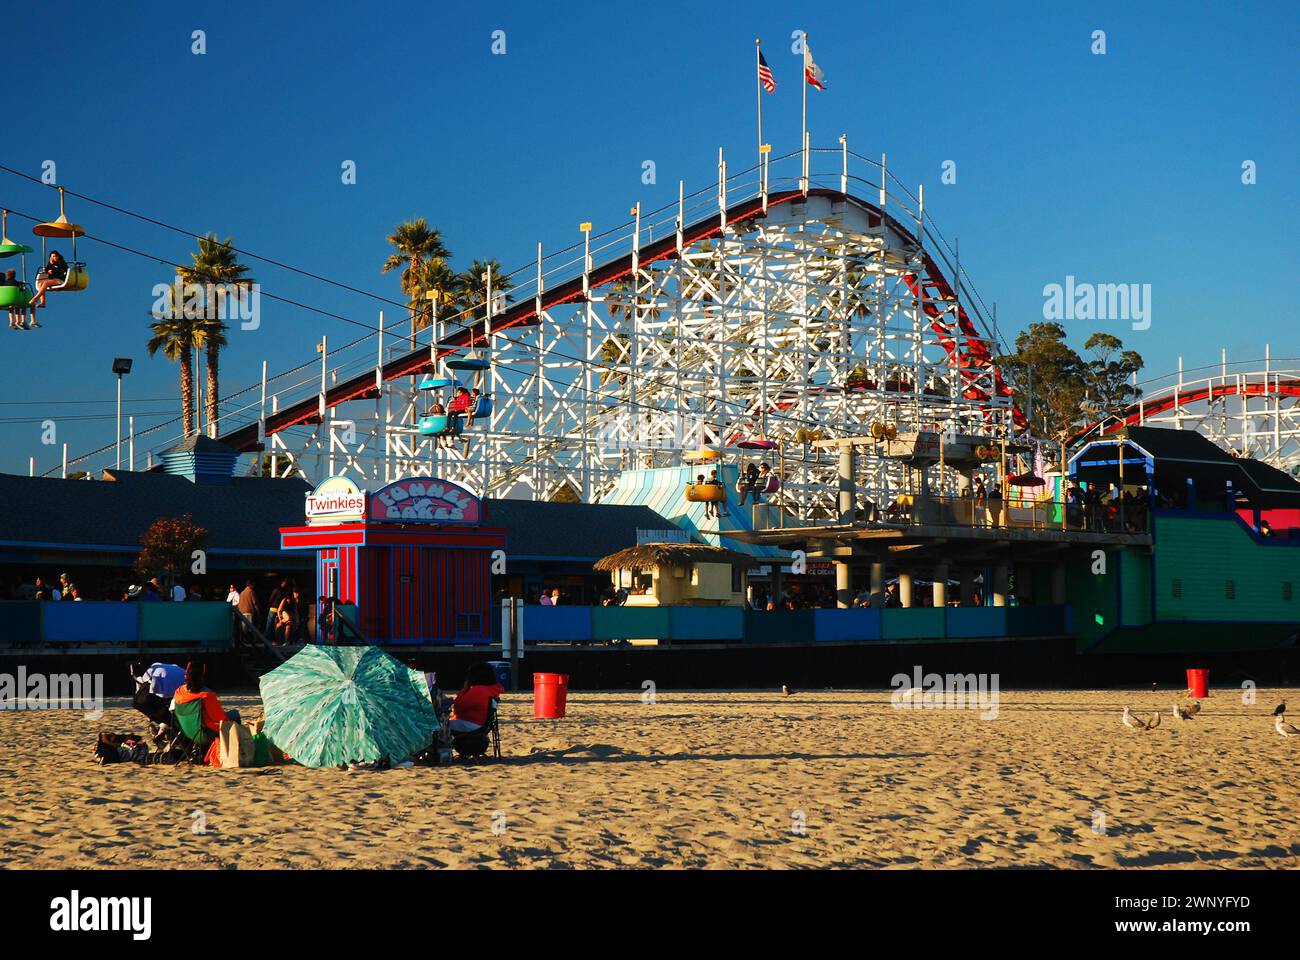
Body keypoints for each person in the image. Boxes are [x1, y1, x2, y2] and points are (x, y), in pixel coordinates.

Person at [170, 662, 238, 765]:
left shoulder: (178, 693)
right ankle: (234, 753)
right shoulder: (206, 696)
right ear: (202, 677)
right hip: (204, 733)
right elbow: (221, 719)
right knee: (234, 715)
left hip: (186, 732)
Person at [450, 663, 504, 733]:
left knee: (440, 725)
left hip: (473, 725)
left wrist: (464, 689)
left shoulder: (479, 690)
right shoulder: (490, 689)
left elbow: (458, 706)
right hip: (480, 724)